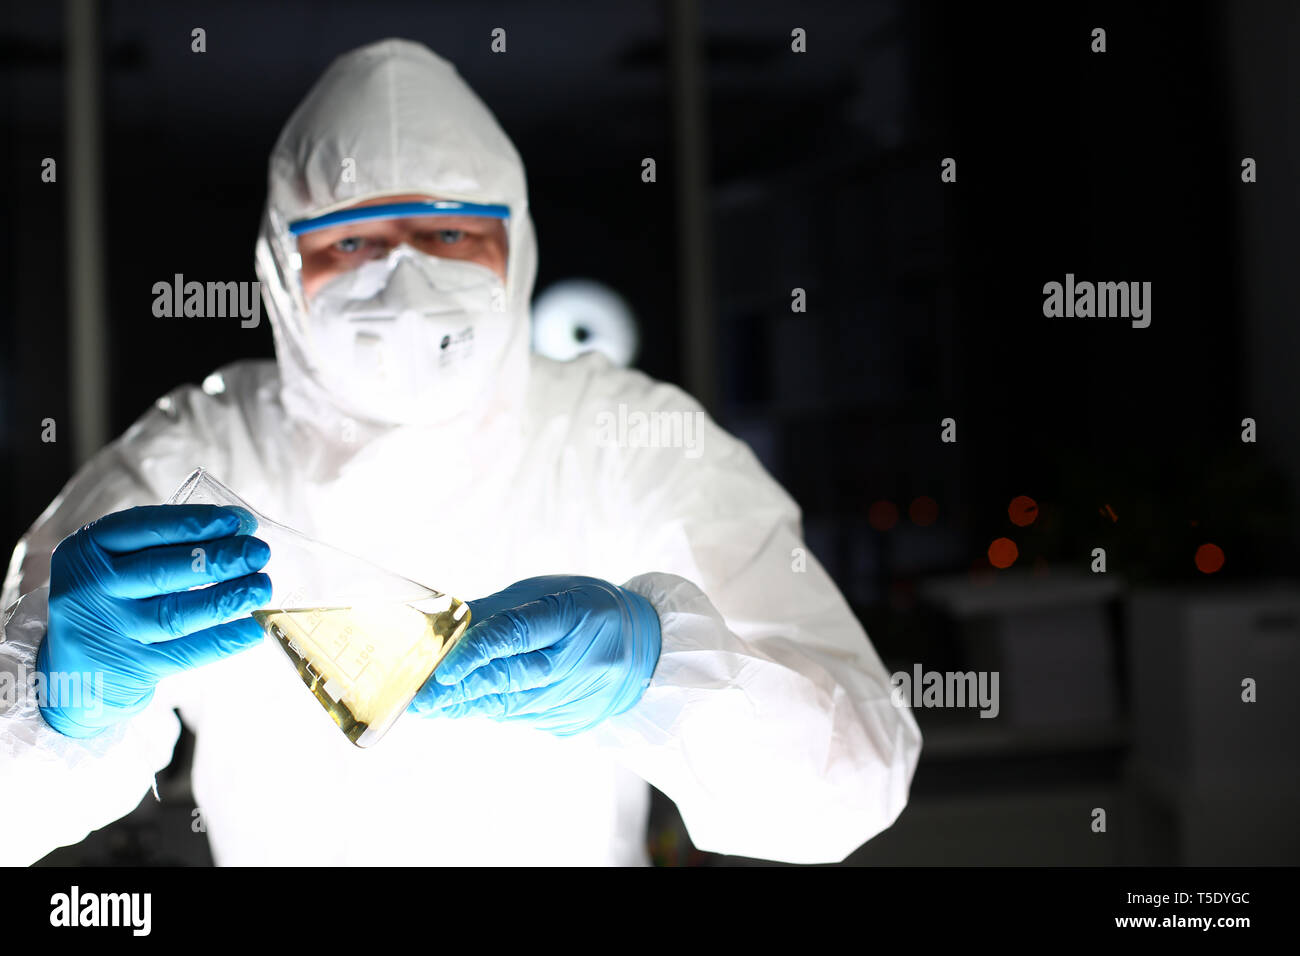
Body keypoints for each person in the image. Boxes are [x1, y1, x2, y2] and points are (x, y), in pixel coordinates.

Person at [0, 39, 920, 866]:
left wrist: (664, 675)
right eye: (353, 241)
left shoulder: (627, 439)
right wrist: (62, 694)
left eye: (447, 234)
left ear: (511, 248)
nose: (404, 283)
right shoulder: (191, 454)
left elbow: (854, 790)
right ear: (285, 269)